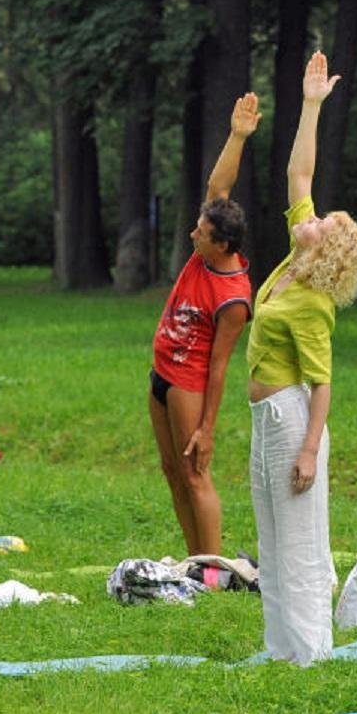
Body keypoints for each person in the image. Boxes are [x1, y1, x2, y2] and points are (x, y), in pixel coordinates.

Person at [247, 51, 357, 666]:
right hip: (265, 419)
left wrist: (307, 451)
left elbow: (322, 384)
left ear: (328, 252)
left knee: (298, 543)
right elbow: (300, 174)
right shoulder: (295, 262)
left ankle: (310, 655)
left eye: (323, 221)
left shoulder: (314, 302)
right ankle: (282, 652)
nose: (312, 216)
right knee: (271, 542)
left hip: (293, 424)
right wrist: (311, 104)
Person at [150, 93, 259, 556]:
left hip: (189, 384)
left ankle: (212, 571)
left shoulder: (233, 298)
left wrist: (207, 428)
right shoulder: (206, 247)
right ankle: (194, 560)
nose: (193, 232)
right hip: (161, 373)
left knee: (195, 474)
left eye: (201, 232)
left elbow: (218, 367)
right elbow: (219, 184)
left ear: (223, 245)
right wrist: (237, 135)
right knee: (172, 471)